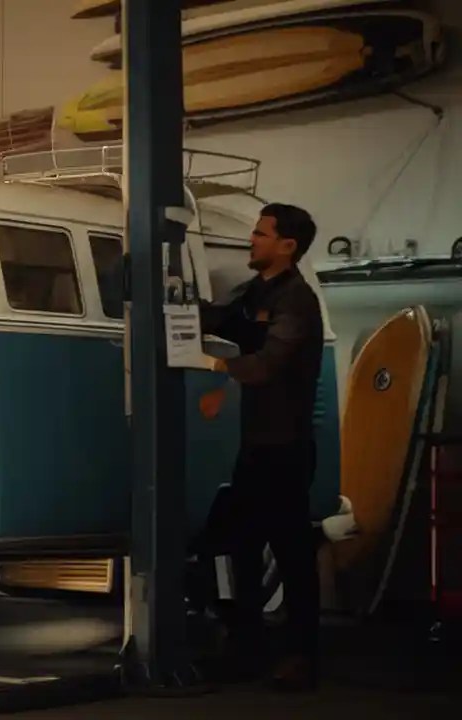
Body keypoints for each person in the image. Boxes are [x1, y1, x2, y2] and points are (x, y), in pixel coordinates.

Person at [196, 202, 325, 692]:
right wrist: (167, 302)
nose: (252, 239)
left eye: (260, 233)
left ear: (287, 246)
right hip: (256, 448)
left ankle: (301, 658)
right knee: (237, 547)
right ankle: (246, 648)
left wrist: (217, 368)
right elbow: (221, 318)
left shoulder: (297, 301)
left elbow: (269, 364)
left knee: (291, 556)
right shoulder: (256, 293)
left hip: (287, 451)